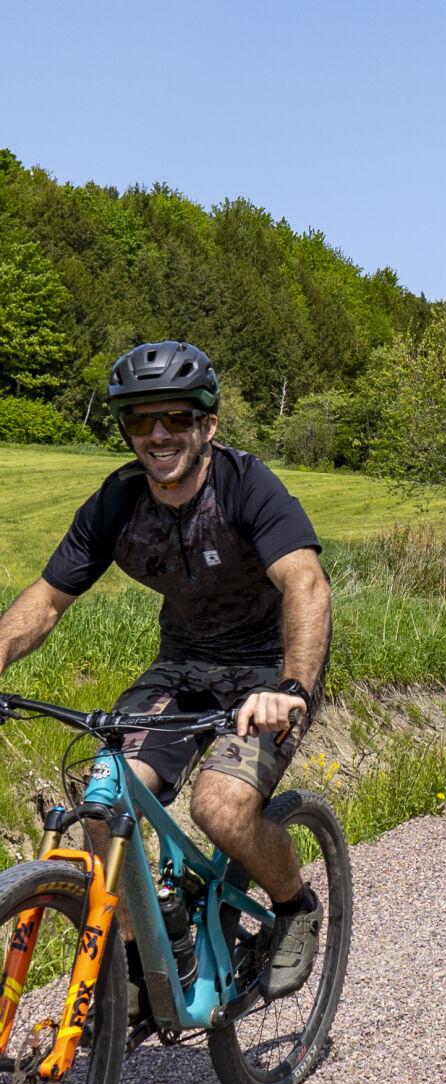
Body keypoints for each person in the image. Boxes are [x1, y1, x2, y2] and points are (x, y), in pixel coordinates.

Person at [0, 341, 330, 1001]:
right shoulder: (118, 502)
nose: (157, 435)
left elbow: (307, 584)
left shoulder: (245, 485)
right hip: (180, 667)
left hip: (266, 670)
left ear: (207, 425)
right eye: (140, 422)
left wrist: (290, 689)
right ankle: (137, 956)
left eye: (175, 419)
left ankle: (295, 908)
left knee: (221, 808)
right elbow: (45, 599)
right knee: (102, 794)